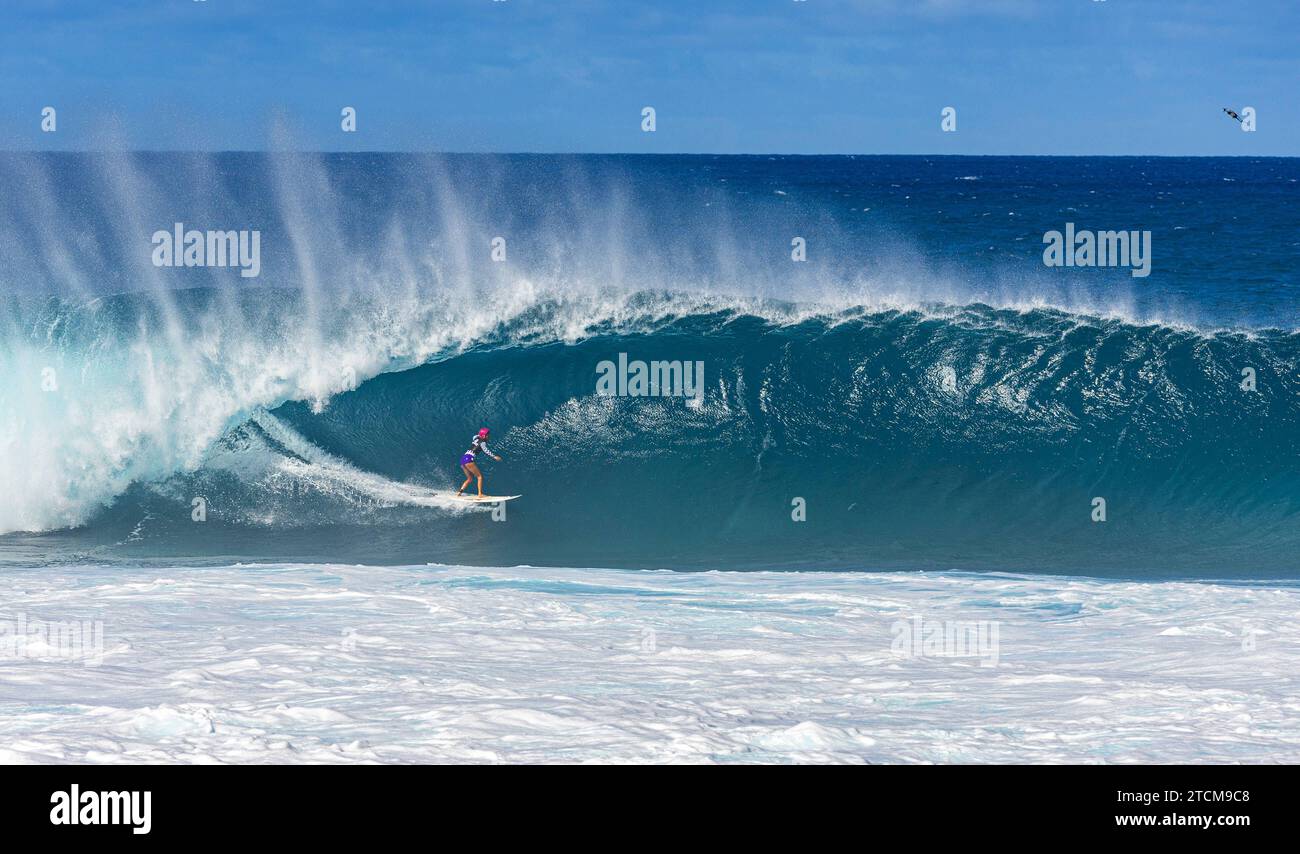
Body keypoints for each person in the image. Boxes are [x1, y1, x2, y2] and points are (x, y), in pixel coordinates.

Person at [456, 428, 502, 497]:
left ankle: (459, 493)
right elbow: (486, 450)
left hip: (463, 459)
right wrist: (494, 456)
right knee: (479, 476)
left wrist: (480, 434)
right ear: (483, 436)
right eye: (487, 435)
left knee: (470, 478)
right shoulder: (483, 442)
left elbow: (475, 436)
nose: (488, 436)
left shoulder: (475, 439)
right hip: (469, 459)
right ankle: (480, 494)